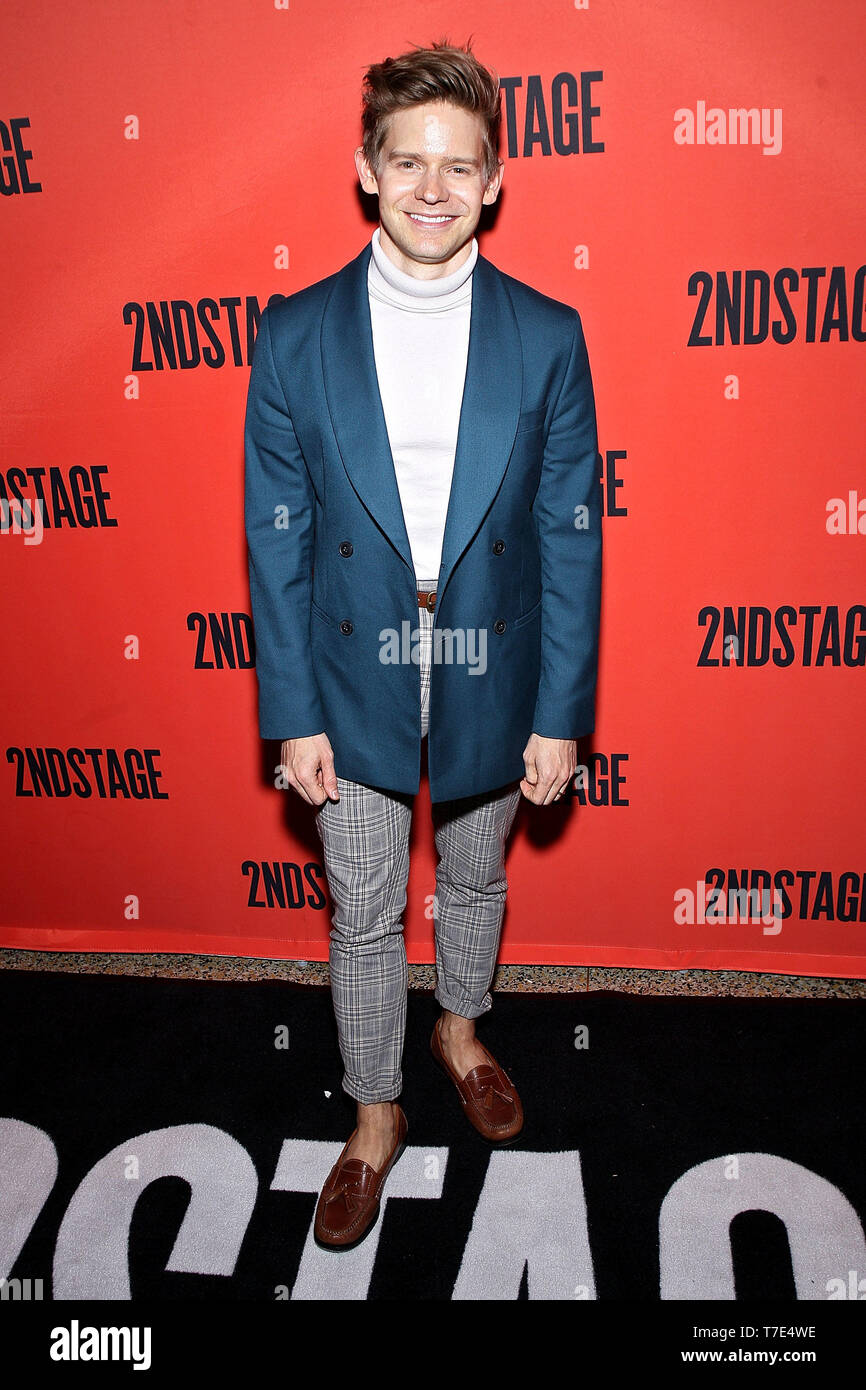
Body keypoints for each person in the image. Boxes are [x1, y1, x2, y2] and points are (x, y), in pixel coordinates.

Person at [244, 39, 602, 1250]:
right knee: (359, 905)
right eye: (409, 162)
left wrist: (561, 713)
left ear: (495, 180)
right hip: (351, 666)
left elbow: (568, 534)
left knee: (478, 874)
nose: (433, 188)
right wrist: (290, 713)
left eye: (459, 166)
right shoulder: (292, 336)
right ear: (367, 168)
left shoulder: (548, 335)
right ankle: (375, 1110)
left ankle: (457, 1027)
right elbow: (275, 539)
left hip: (491, 657)